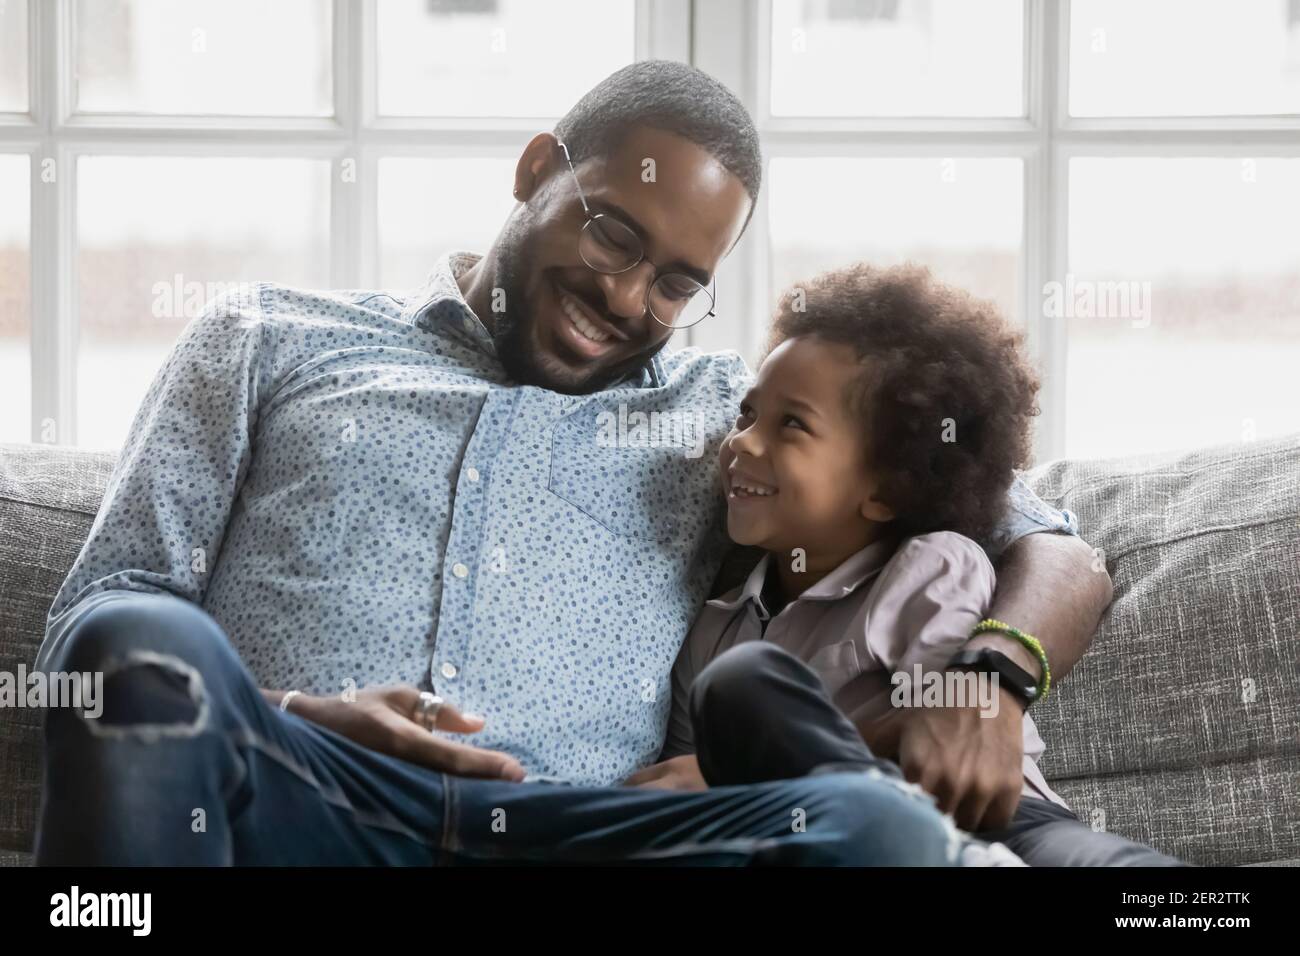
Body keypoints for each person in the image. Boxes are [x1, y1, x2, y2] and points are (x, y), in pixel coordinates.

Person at [33, 61, 1109, 865]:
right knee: (138, 638)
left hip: (582, 834)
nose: (630, 298)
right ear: (538, 169)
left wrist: (993, 674)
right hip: (292, 787)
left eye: (678, 283)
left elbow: (1055, 548)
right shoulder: (271, 336)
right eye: (612, 236)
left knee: (873, 825)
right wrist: (294, 708)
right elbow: (102, 622)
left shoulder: (728, 421)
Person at [629, 264, 1186, 866]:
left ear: (886, 491)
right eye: (747, 414)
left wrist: (737, 781)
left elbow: (943, 729)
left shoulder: (931, 568)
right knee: (740, 683)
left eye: (792, 424)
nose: (742, 442)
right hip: (833, 844)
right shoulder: (716, 632)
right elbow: (677, 782)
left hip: (998, 821)